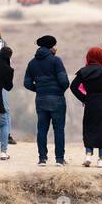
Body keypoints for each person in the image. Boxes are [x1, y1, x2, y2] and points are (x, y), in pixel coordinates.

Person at [24, 35, 68, 166]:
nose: (56, 48)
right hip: (57, 99)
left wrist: (39, 89)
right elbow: (64, 81)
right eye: (54, 45)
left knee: (42, 130)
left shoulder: (32, 63)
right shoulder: (56, 61)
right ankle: (59, 159)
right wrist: (60, 90)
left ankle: (42, 158)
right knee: (59, 130)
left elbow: (26, 83)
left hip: (41, 100)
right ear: (50, 47)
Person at [70, 46, 102, 167]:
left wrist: (84, 98)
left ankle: (88, 155)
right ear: (101, 57)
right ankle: (101, 160)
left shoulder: (83, 71)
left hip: (90, 101)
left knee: (90, 128)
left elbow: (73, 87)